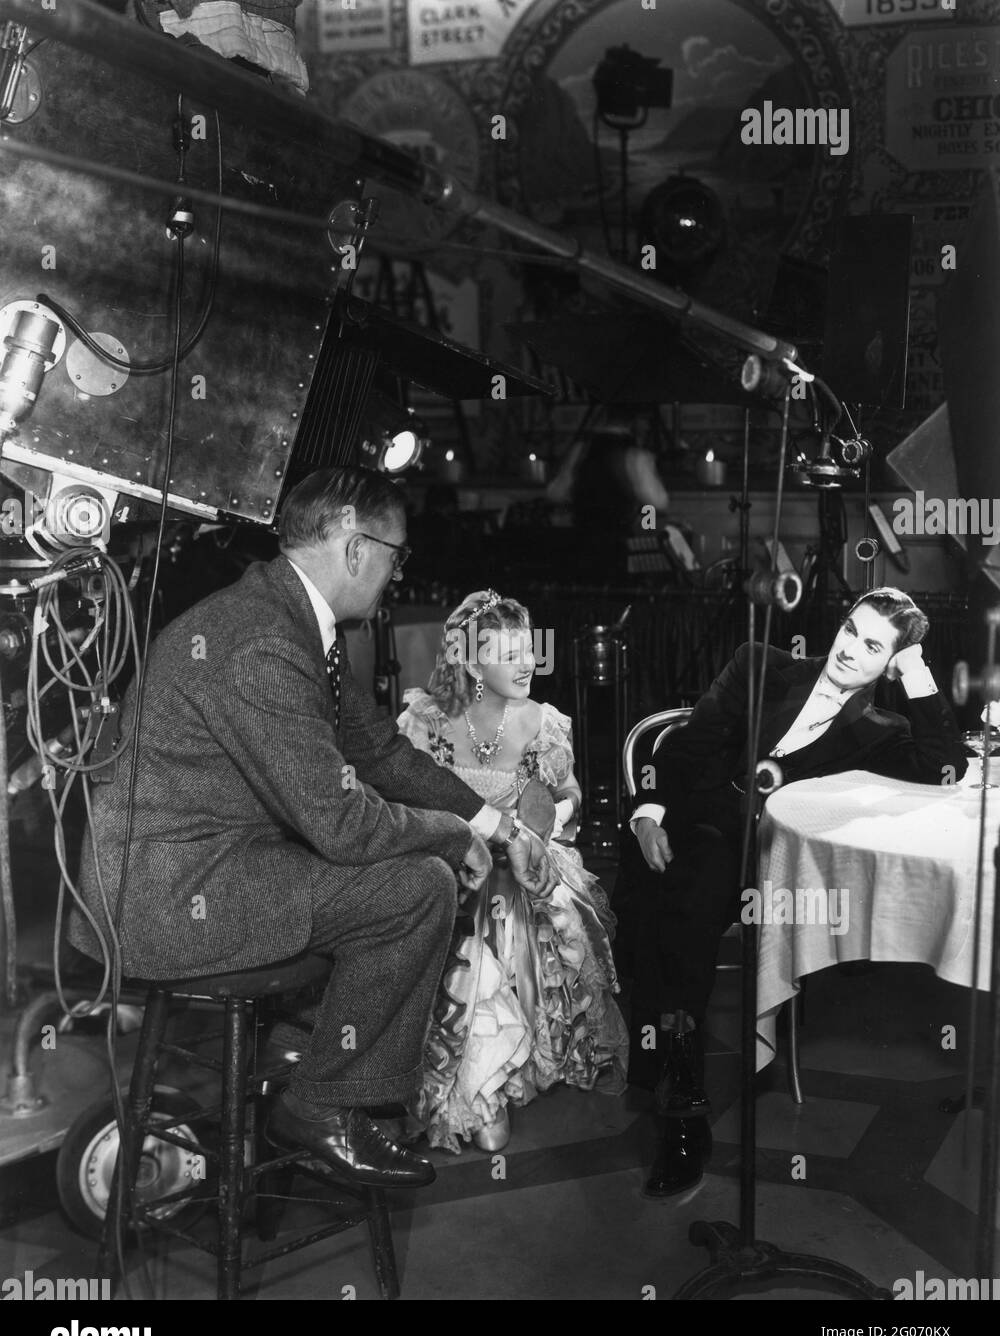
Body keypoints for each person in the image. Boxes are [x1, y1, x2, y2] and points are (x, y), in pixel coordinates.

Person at [69, 467, 555, 1191]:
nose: (395, 574)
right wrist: (453, 838)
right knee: (416, 888)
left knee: (405, 875)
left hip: (217, 862)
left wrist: (496, 823)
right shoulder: (263, 642)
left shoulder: (291, 621)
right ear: (356, 546)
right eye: (396, 555)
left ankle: (302, 1051)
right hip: (165, 896)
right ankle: (322, 1106)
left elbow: (382, 753)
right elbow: (339, 823)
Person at [615, 587, 969, 1201]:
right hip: (703, 824)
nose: (851, 650)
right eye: (851, 631)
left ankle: (666, 1080)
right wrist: (649, 809)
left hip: (778, 860)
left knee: (681, 909)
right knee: (687, 901)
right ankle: (681, 1117)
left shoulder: (882, 730)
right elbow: (691, 743)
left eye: (875, 646)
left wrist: (916, 668)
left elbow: (948, 764)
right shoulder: (762, 662)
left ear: (891, 663)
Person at [397, 589, 629, 1153]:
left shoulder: (543, 722)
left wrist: (536, 830)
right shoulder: (425, 721)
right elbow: (405, 801)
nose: (527, 663)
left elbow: (571, 794)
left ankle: (511, 1071)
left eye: (529, 650)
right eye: (509, 653)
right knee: (462, 913)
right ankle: (474, 1090)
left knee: (536, 904)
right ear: (474, 663)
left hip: (527, 866)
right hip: (453, 866)